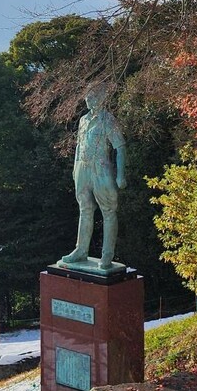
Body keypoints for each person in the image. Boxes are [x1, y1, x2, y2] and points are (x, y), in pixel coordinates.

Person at [60, 86, 127, 268]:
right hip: (83, 168)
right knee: (85, 209)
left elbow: (120, 148)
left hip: (101, 168)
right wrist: (75, 170)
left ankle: (107, 255)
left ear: (101, 99)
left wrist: (120, 175)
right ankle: (81, 250)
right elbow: (79, 146)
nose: (88, 101)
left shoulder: (108, 120)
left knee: (108, 210)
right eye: (87, 98)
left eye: (92, 97)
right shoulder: (83, 120)